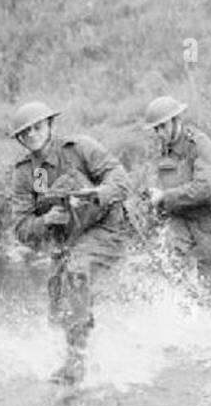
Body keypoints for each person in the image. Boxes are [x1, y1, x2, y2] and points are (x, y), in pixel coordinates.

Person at [9, 101, 130, 385]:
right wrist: (47, 220)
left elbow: (122, 180)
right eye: (24, 133)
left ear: (50, 125)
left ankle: (77, 360)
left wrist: (96, 193)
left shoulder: (79, 149)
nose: (32, 135)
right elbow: (21, 228)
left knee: (77, 270)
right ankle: (80, 351)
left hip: (105, 228)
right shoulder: (25, 173)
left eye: (37, 127)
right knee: (59, 302)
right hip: (67, 238)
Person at [142, 96, 211, 319]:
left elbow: (205, 187)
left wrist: (165, 196)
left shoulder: (200, 144)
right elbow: (153, 181)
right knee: (168, 259)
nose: (159, 133)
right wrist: (152, 198)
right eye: (155, 129)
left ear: (177, 121)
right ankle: (184, 311)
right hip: (183, 218)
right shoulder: (162, 151)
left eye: (162, 126)